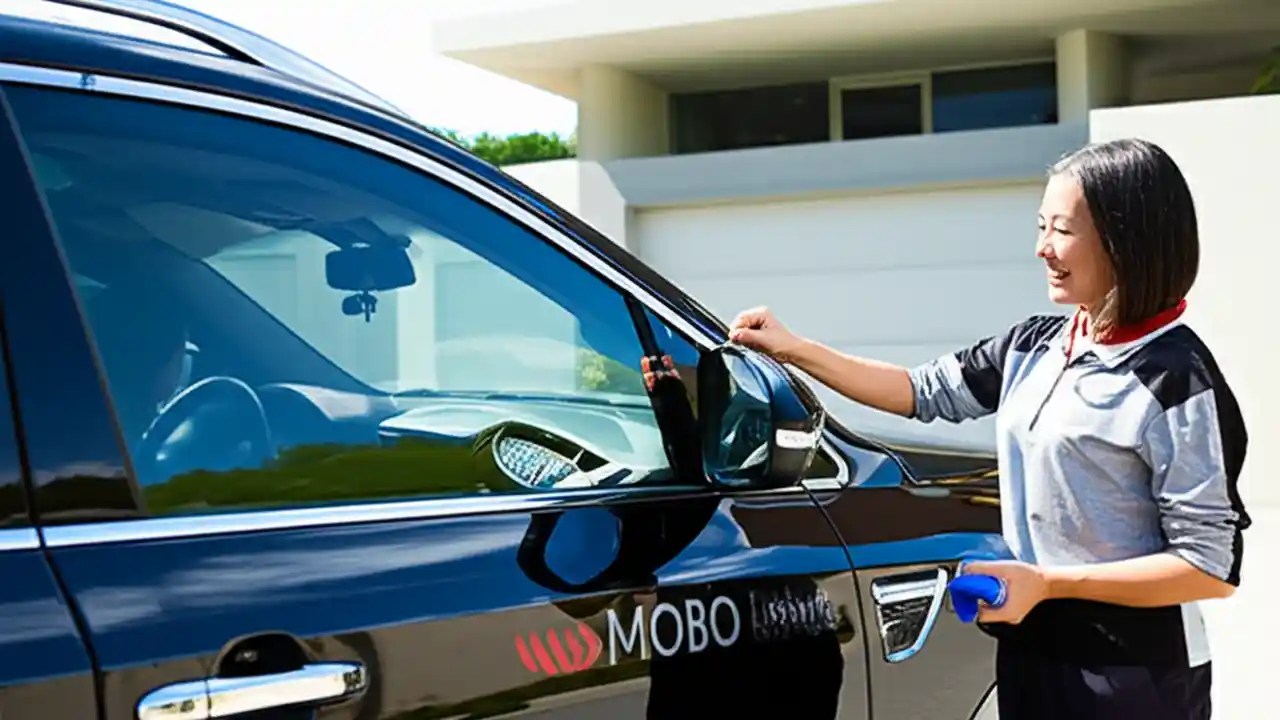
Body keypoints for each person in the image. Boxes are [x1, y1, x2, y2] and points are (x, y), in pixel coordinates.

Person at [727, 138, 1248, 719]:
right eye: (1040, 226)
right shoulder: (1034, 345)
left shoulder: (1178, 380)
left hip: (1137, 676)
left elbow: (1208, 566)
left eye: (1062, 230)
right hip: (1033, 655)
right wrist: (795, 349)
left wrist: (1047, 583)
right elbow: (917, 391)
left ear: (1125, 239)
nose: (1041, 248)